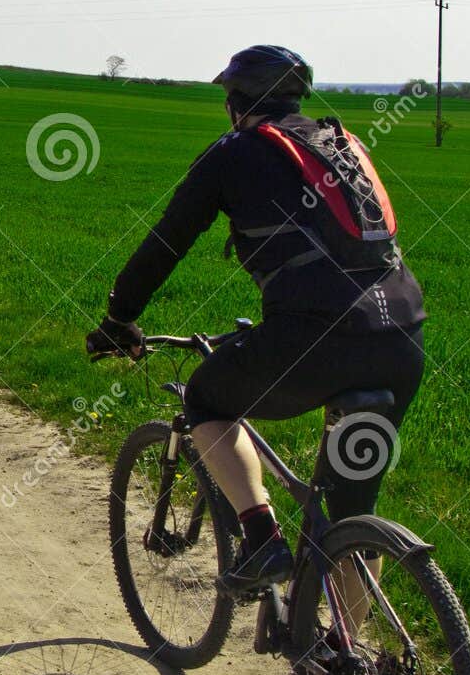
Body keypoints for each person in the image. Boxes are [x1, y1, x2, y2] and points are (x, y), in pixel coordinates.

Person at [85, 45, 426, 595]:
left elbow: (166, 243)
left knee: (207, 399)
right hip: (403, 335)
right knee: (349, 519)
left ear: (234, 101)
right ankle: (345, 661)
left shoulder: (233, 153)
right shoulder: (339, 144)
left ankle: (262, 540)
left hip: (318, 336)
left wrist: (119, 317)